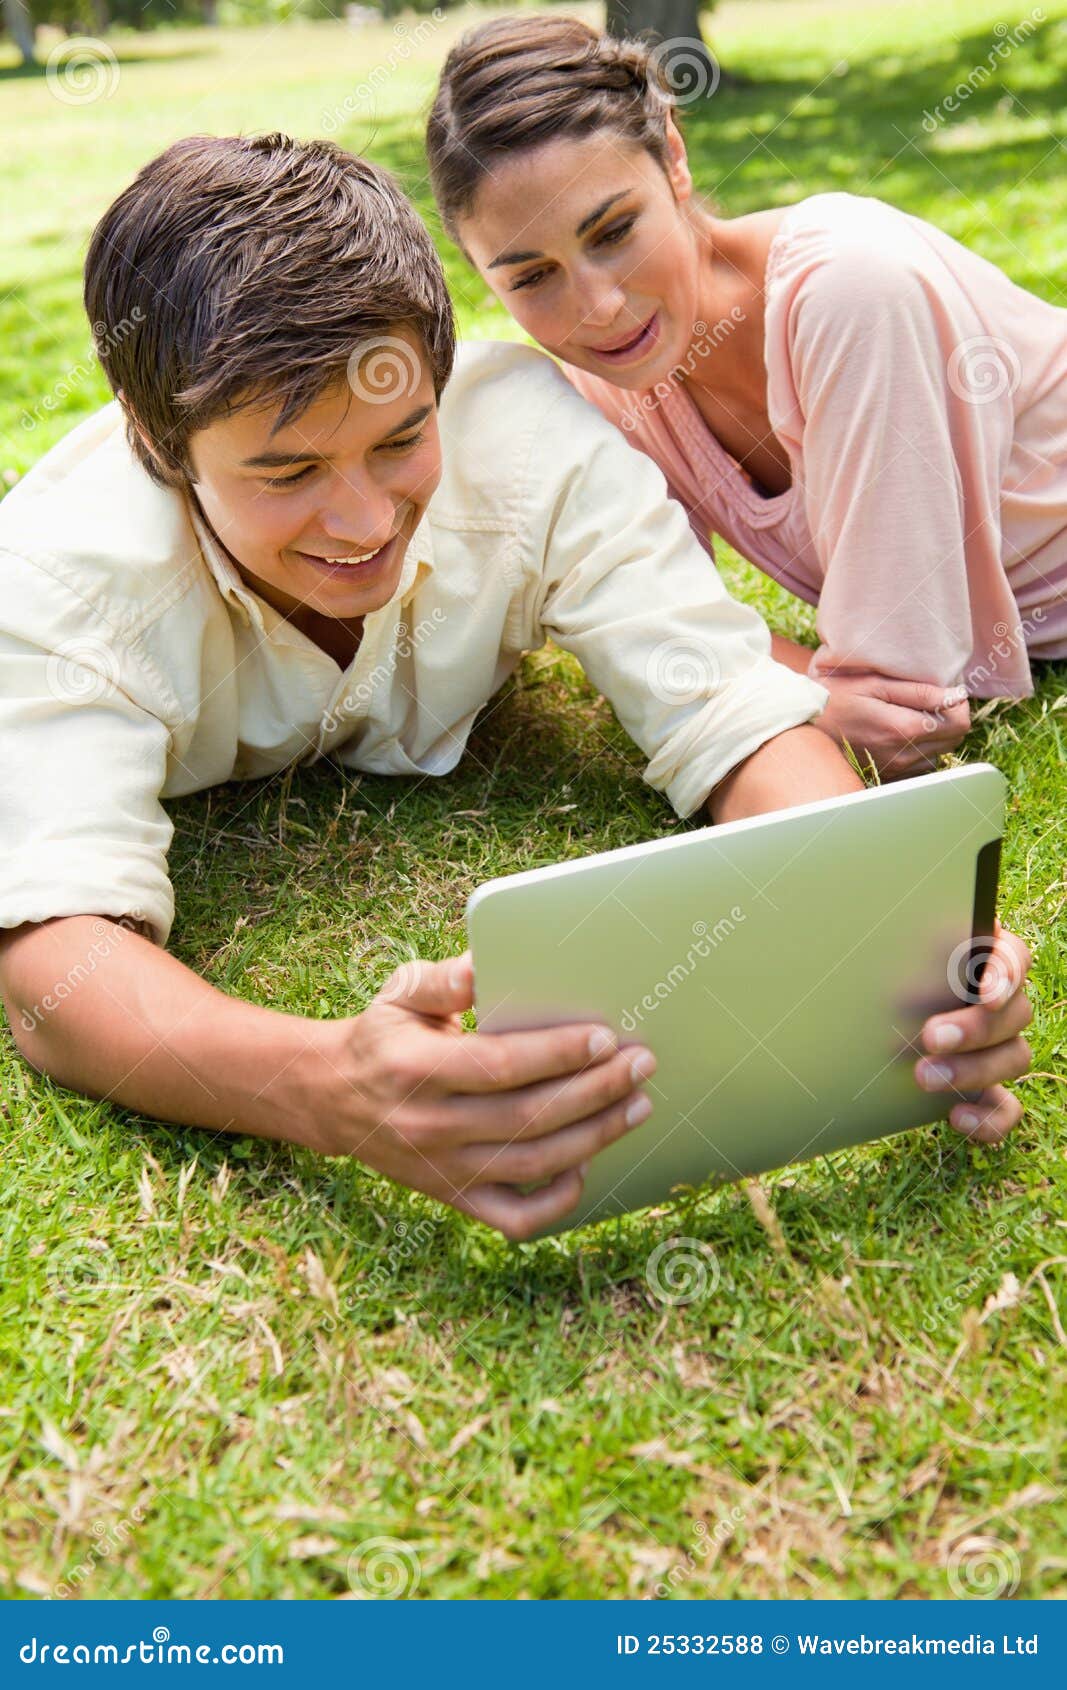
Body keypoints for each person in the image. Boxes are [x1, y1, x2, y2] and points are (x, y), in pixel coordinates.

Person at [0, 136, 1032, 1243]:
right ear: (161, 443)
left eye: (399, 442)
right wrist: (328, 1083)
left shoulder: (530, 445)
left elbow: (731, 711)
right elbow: (56, 973)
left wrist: (879, 922)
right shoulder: (61, 581)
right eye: (288, 472)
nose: (360, 523)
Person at [426, 12, 1067, 779]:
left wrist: (786, 683)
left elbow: (903, 704)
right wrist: (813, 692)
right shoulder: (604, 383)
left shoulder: (851, 289)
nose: (596, 307)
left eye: (613, 231)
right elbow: (657, 623)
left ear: (672, 157)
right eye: (531, 277)